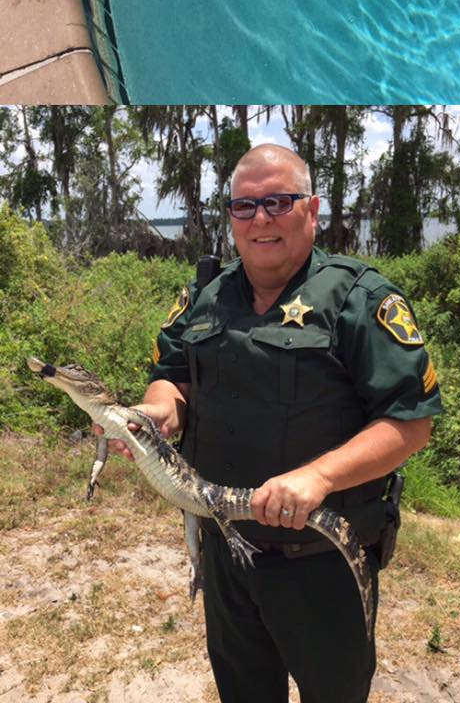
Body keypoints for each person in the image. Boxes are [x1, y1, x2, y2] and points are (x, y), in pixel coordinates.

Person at [102, 143, 441, 703]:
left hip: (323, 560)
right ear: (230, 216)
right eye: (245, 206)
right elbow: (172, 378)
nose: (261, 218)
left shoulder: (361, 299)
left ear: (311, 209)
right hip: (227, 553)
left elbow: (410, 423)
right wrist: (156, 414)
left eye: (279, 202)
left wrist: (320, 478)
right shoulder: (204, 297)